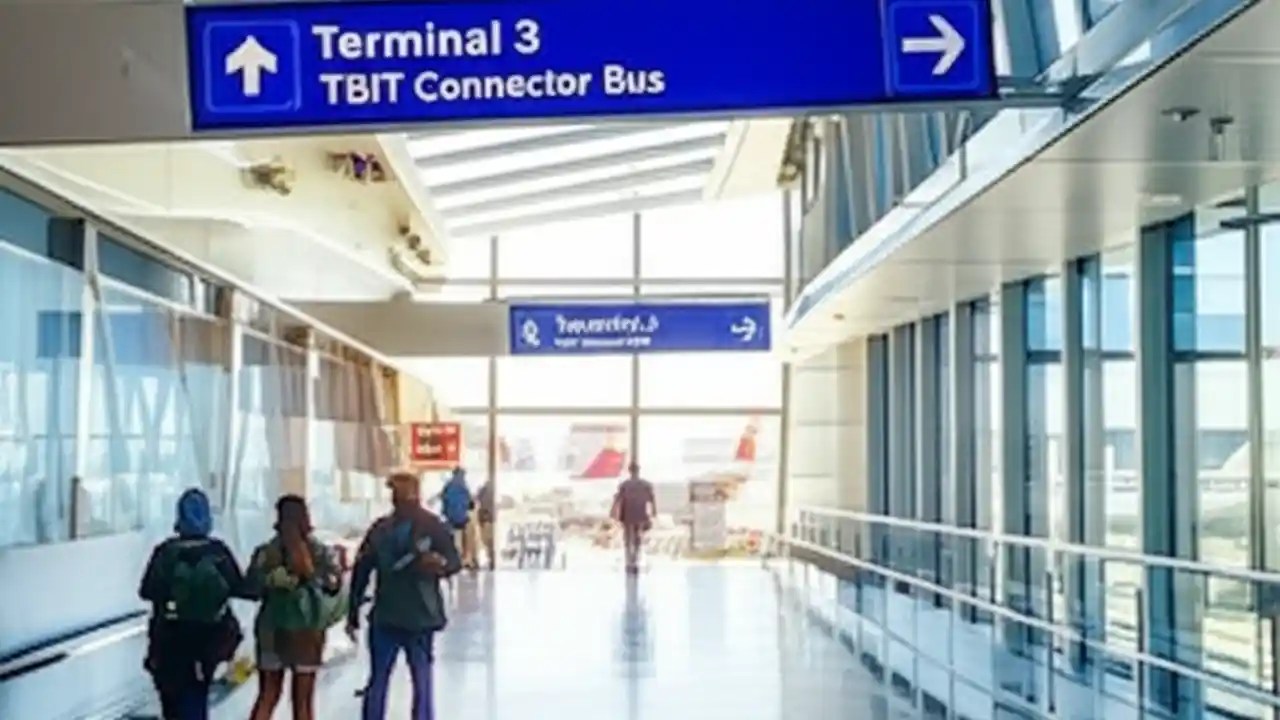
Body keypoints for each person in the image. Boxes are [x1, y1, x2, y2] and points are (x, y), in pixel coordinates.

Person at [348, 472, 462, 720]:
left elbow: (362, 571)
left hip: (395, 616)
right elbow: (454, 561)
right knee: (419, 679)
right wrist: (441, 565)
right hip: (413, 615)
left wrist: (353, 610)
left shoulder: (384, 529)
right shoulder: (427, 526)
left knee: (382, 678)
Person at [138, 488, 246, 720]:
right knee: (197, 696)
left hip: (168, 642)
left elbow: (147, 591)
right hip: (207, 643)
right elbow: (240, 587)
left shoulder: (165, 552)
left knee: (172, 703)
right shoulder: (218, 553)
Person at [246, 495, 344, 720]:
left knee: (268, 695)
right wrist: (312, 577)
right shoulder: (320, 551)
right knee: (303, 702)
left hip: (270, 630)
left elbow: (248, 589)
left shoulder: (265, 552)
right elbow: (334, 586)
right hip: (307, 632)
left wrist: (269, 580)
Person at [612, 463, 656, 574]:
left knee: (628, 535)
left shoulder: (624, 485)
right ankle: (634, 555)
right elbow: (651, 499)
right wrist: (654, 512)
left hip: (627, 513)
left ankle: (629, 557)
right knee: (637, 535)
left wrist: (613, 512)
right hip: (640, 513)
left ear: (629, 471)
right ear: (638, 471)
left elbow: (618, 499)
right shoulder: (646, 485)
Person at [439, 468, 476, 570]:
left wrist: (446, 511)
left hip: (450, 518)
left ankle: (455, 557)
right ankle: (467, 558)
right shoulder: (464, 487)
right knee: (468, 535)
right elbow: (470, 504)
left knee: (452, 538)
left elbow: (443, 500)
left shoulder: (448, 486)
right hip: (462, 518)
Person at [474, 478, 497, 571]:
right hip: (489, 518)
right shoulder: (493, 492)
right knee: (489, 539)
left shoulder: (482, 491)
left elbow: (476, 499)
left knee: (486, 539)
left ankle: (490, 556)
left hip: (484, 518)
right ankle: (491, 557)